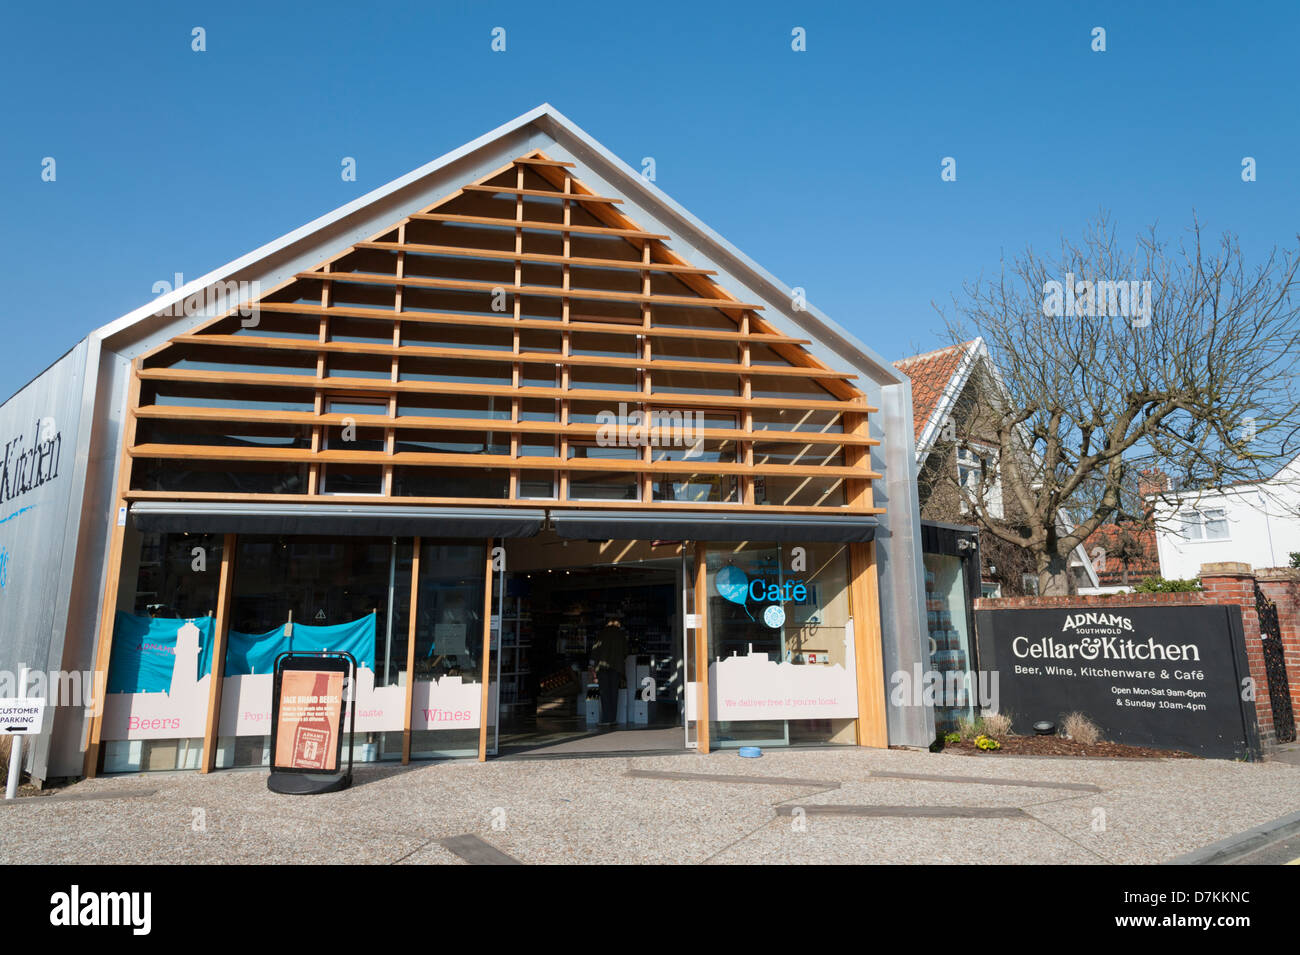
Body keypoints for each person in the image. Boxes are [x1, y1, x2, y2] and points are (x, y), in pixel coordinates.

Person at [591, 613, 628, 726]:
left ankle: (606, 719)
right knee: (614, 692)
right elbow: (625, 652)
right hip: (616, 667)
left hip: (602, 667)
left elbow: (595, 650)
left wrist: (593, 665)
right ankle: (612, 719)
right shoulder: (621, 634)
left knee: (604, 693)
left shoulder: (601, 634)